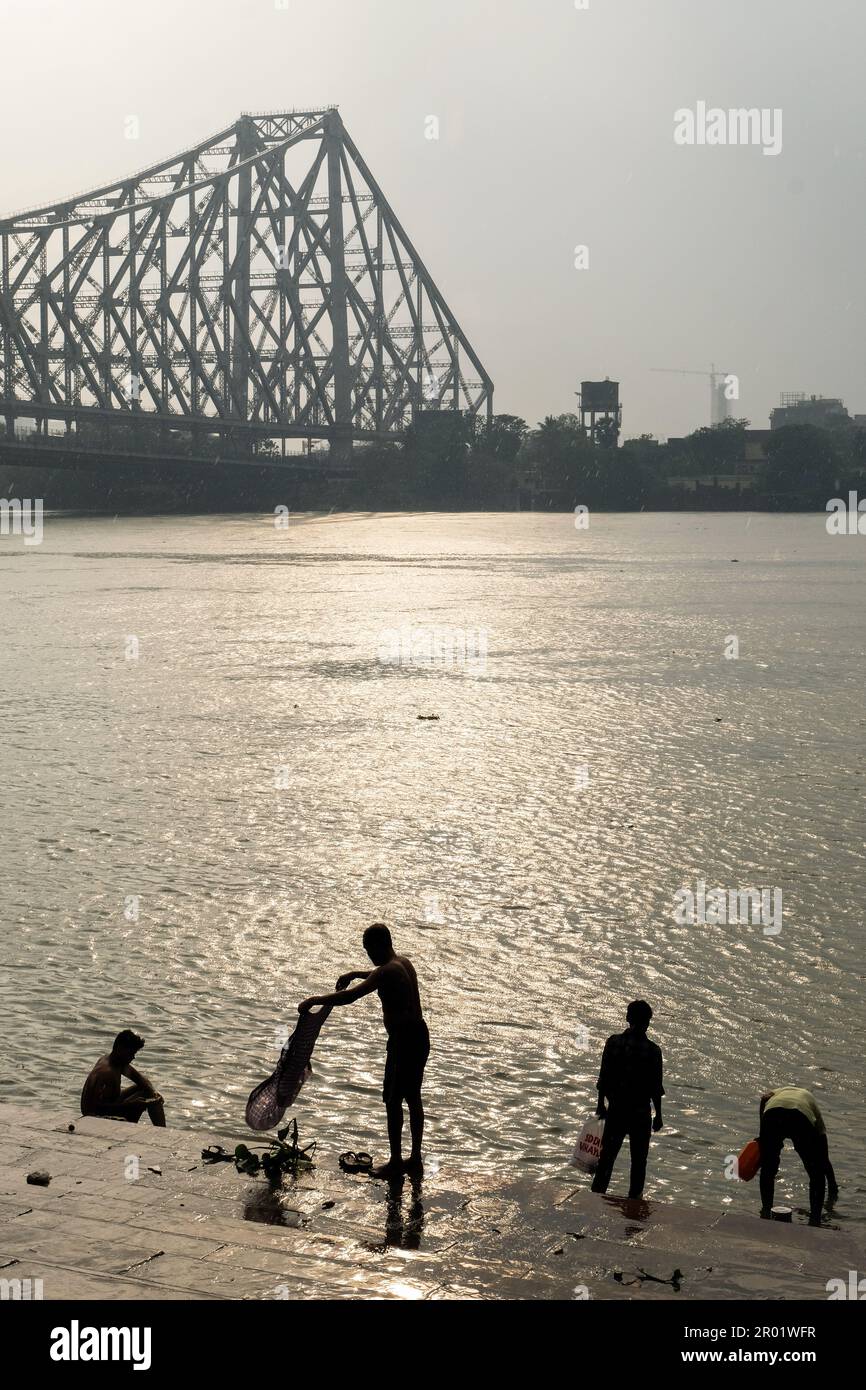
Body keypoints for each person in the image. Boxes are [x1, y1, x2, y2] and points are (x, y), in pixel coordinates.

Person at [298, 924, 429, 1179]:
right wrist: (355, 973)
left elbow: (351, 997)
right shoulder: (403, 963)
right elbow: (376, 974)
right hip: (419, 1036)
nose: (369, 956)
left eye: (369, 951)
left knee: (393, 1101)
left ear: (381, 946)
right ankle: (414, 1159)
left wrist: (315, 1000)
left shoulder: (386, 971)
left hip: (403, 1042)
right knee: (413, 1097)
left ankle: (395, 1164)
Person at [590, 999, 664, 1199]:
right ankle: (634, 1201)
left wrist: (600, 1105)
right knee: (639, 1162)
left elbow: (603, 1078)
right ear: (648, 1022)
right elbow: (655, 1088)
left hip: (616, 1110)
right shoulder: (653, 1051)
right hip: (640, 1113)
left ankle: (596, 1196)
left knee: (606, 1158)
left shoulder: (613, 1042)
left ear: (627, 1018)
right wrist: (659, 1116)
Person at [757, 1086, 838, 1226]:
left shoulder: (777, 1092)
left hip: (772, 1115)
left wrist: (762, 1135)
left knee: (768, 1168)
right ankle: (815, 1220)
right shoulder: (809, 1100)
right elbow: (823, 1156)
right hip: (800, 1117)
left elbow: (764, 1098)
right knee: (816, 1173)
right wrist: (832, 1184)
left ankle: (766, 1213)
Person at [80, 1029, 166, 1126]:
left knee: (146, 1091)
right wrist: (130, 1105)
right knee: (138, 1104)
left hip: (111, 1104)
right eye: (131, 1054)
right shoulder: (107, 1072)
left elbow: (141, 1080)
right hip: (96, 1116)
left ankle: (162, 1129)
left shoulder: (118, 1063)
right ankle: (131, 1127)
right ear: (120, 1049)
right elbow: (94, 1108)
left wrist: (154, 1094)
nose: (133, 1057)